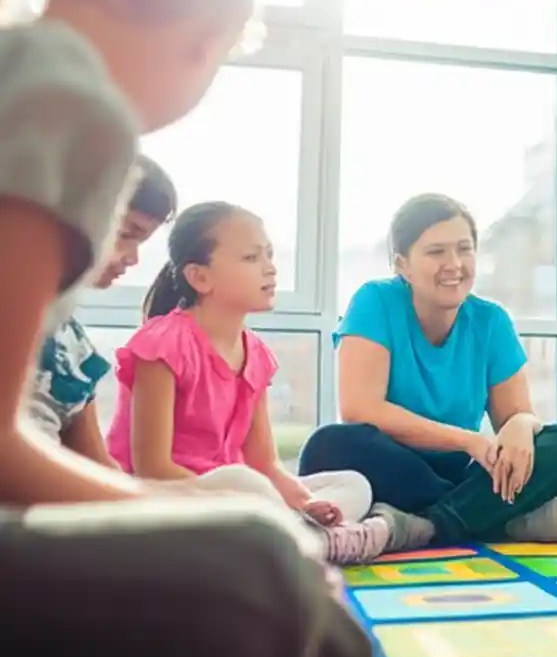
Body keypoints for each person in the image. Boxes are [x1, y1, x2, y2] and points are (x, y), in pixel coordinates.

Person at [0, 0, 371, 657]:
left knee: (265, 539)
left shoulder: (25, 67)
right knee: (269, 570)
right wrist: (199, 517)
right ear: (206, 38)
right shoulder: (69, 99)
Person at [106, 201, 405, 563]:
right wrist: (233, 498)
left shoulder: (257, 355)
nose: (270, 268)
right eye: (251, 258)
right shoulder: (163, 343)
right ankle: (311, 540)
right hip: (167, 499)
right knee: (244, 482)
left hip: (240, 495)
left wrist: (307, 503)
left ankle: (296, 533)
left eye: (269, 255)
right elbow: (152, 468)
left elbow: (265, 461)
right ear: (200, 277)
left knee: (354, 486)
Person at [298, 193, 557, 548]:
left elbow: (517, 416)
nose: (454, 263)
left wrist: (520, 424)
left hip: (464, 471)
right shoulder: (375, 301)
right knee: (331, 445)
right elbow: (360, 409)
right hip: (390, 463)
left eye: (464, 249)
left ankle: (426, 525)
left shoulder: (491, 320)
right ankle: (496, 519)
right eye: (436, 252)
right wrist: (467, 440)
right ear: (402, 264)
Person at [27, 153, 176, 469]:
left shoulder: (73, 346)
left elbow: (95, 463)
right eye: (125, 235)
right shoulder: (17, 321)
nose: (133, 259)